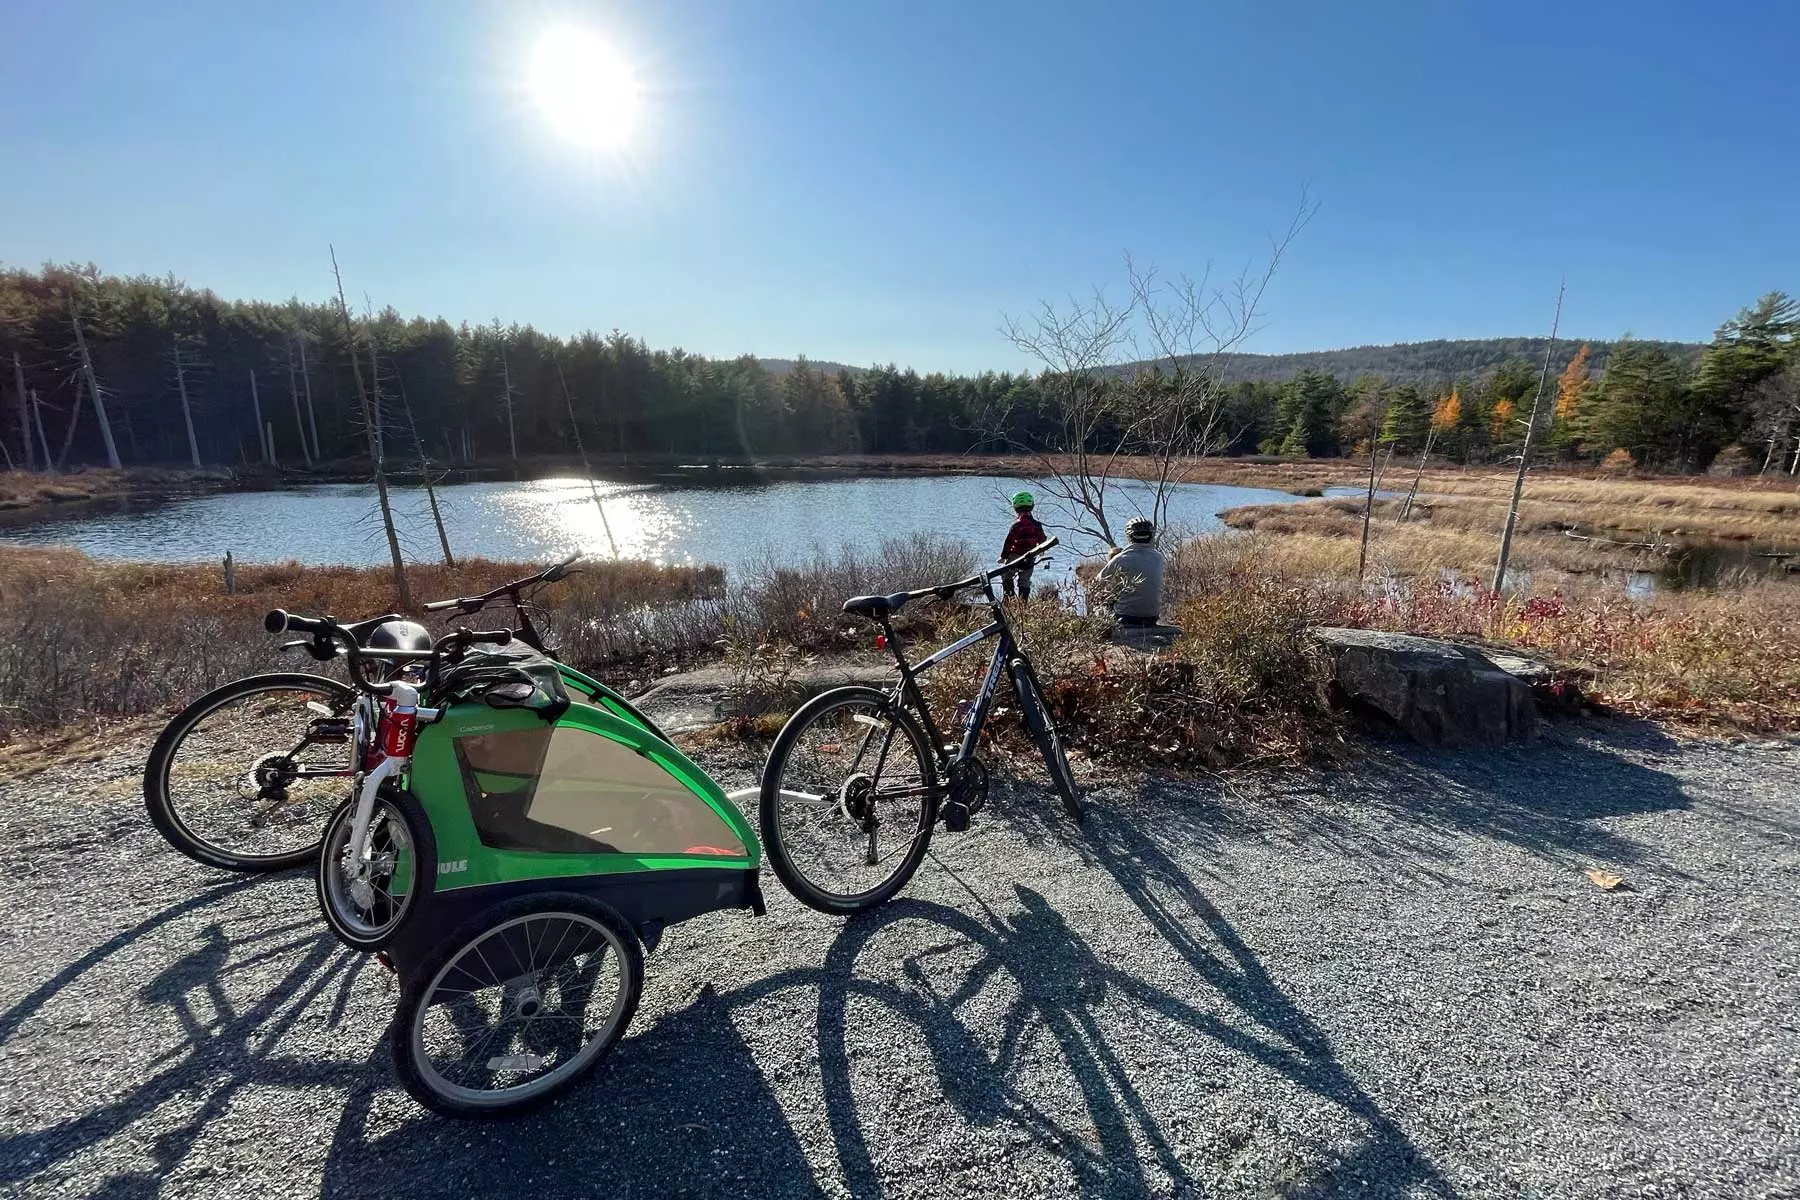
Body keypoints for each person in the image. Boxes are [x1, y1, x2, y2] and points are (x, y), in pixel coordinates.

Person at [1094, 516, 1164, 626]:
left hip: (1126, 617)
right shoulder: (1159, 557)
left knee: (1098, 606)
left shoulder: (1121, 558)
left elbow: (1096, 583)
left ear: (1129, 537)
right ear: (1151, 536)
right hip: (1152, 617)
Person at [998, 491, 1046, 600]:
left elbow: (1008, 542)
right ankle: (1023, 605)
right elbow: (1042, 539)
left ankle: (1009, 600)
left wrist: (1004, 556)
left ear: (1015, 508)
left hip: (1015, 556)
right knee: (1024, 581)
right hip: (1030, 556)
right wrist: (1041, 548)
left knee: (1006, 575)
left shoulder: (1016, 525)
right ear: (1032, 506)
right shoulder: (1037, 525)